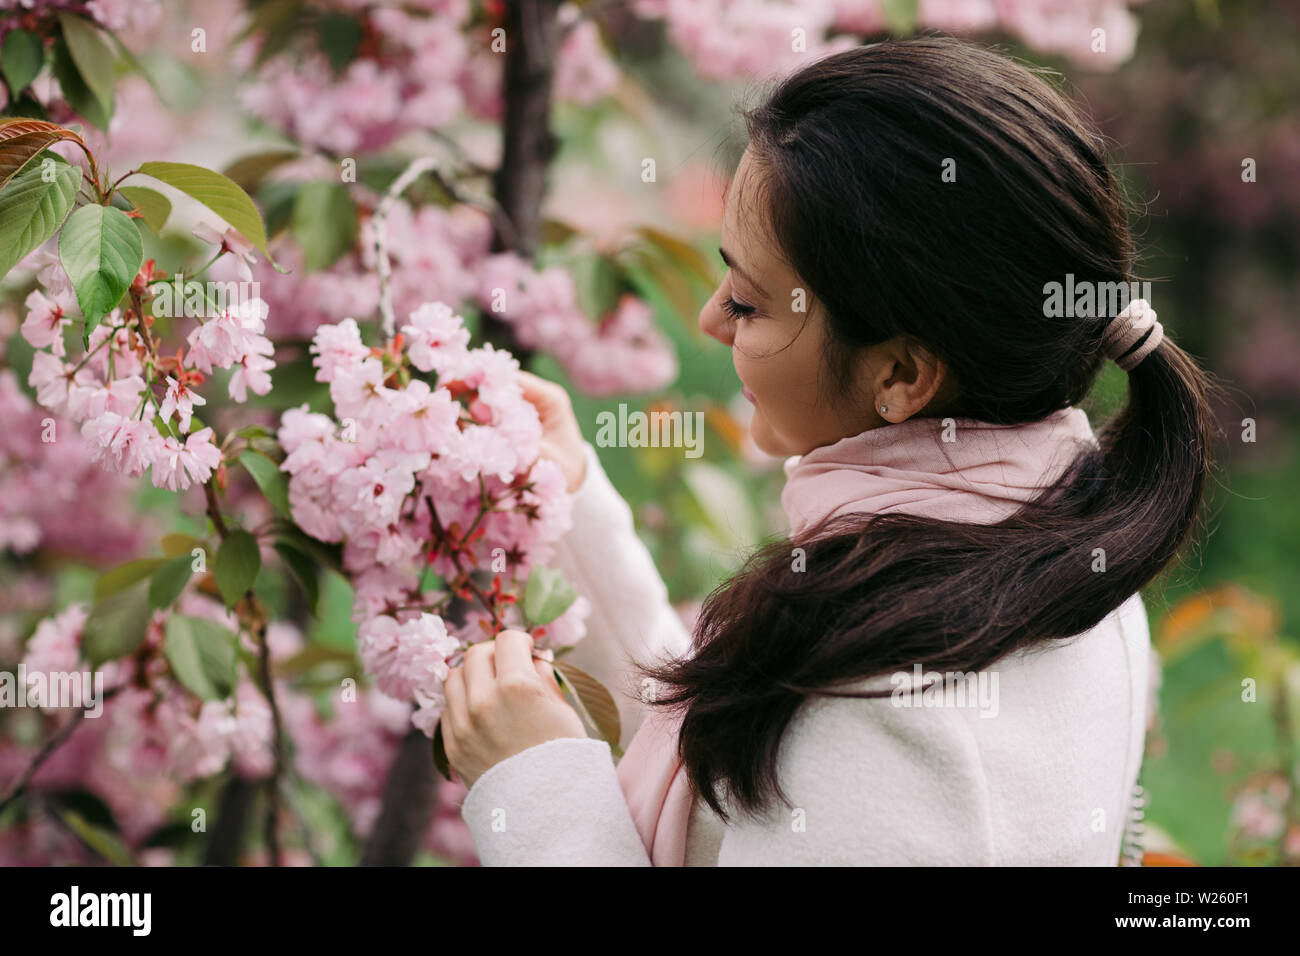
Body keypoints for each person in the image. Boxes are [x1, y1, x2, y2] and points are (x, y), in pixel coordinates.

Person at [439, 36, 1215, 866]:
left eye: (747, 301)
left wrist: (535, 786)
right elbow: (725, 770)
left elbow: (804, 755)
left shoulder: (898, 719)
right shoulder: (1045, 553)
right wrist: (571, 502)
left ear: (902, 373)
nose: (710, 320)